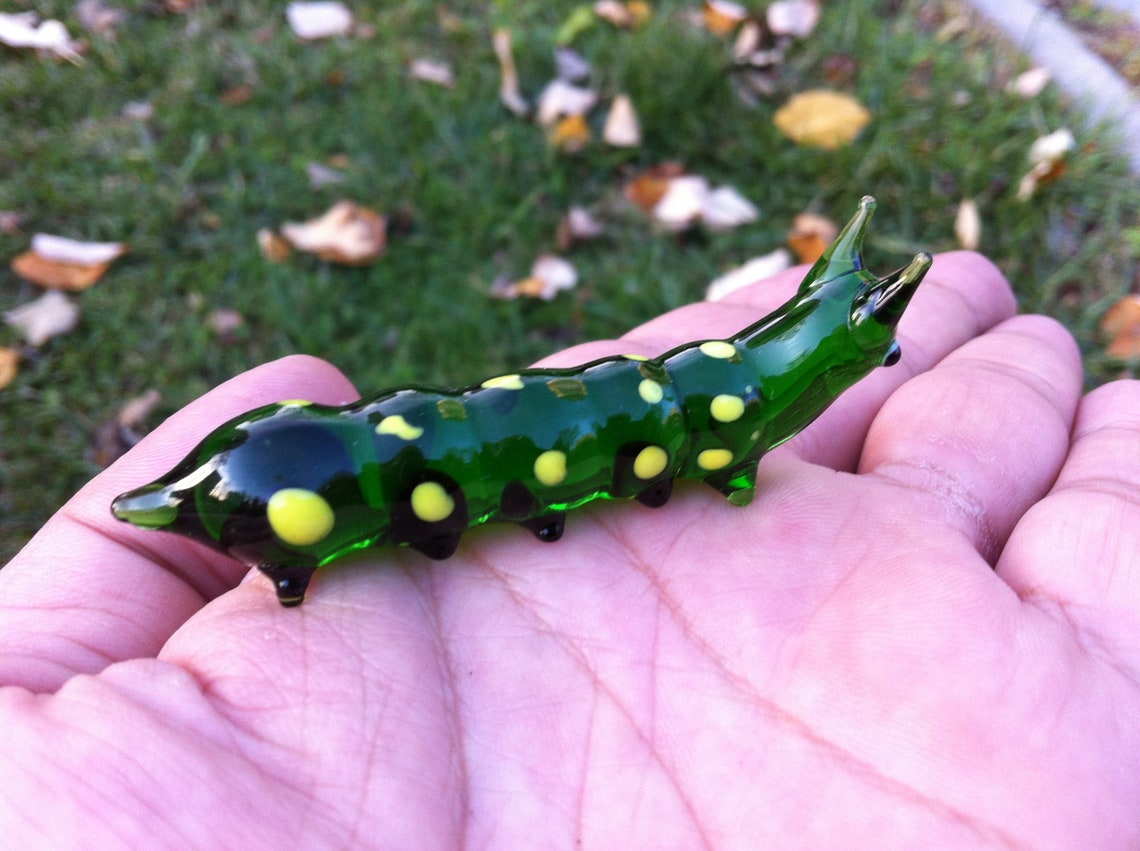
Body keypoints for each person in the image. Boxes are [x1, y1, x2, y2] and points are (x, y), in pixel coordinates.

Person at [0, 251, 1137, 847]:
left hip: (653, 414)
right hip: (644, 416)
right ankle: (775, 375)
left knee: (693, 400)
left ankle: (793, 360)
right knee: (690, 401)